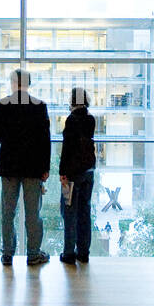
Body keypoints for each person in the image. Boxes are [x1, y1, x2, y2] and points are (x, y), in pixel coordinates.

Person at [0, 69, 51, 266]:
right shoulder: (40, 107)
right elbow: (45, 141)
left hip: (9, 166)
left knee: (8, 212)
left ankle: (7, 253)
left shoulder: (0, 106)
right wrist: (45, 167)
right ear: (29, 83)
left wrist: (9, 139)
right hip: (33, 166)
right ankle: (33, 254)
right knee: (33, 213)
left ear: (12, 83)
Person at [58, 87, 96, 265]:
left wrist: (62, 173)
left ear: (72, 101)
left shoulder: (71, 120)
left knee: (69, 211)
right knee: (84, 211)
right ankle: (83, 252)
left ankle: (68, 253)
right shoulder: (90, 119)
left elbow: (67, 149)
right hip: (89, 171)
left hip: (72, 174)